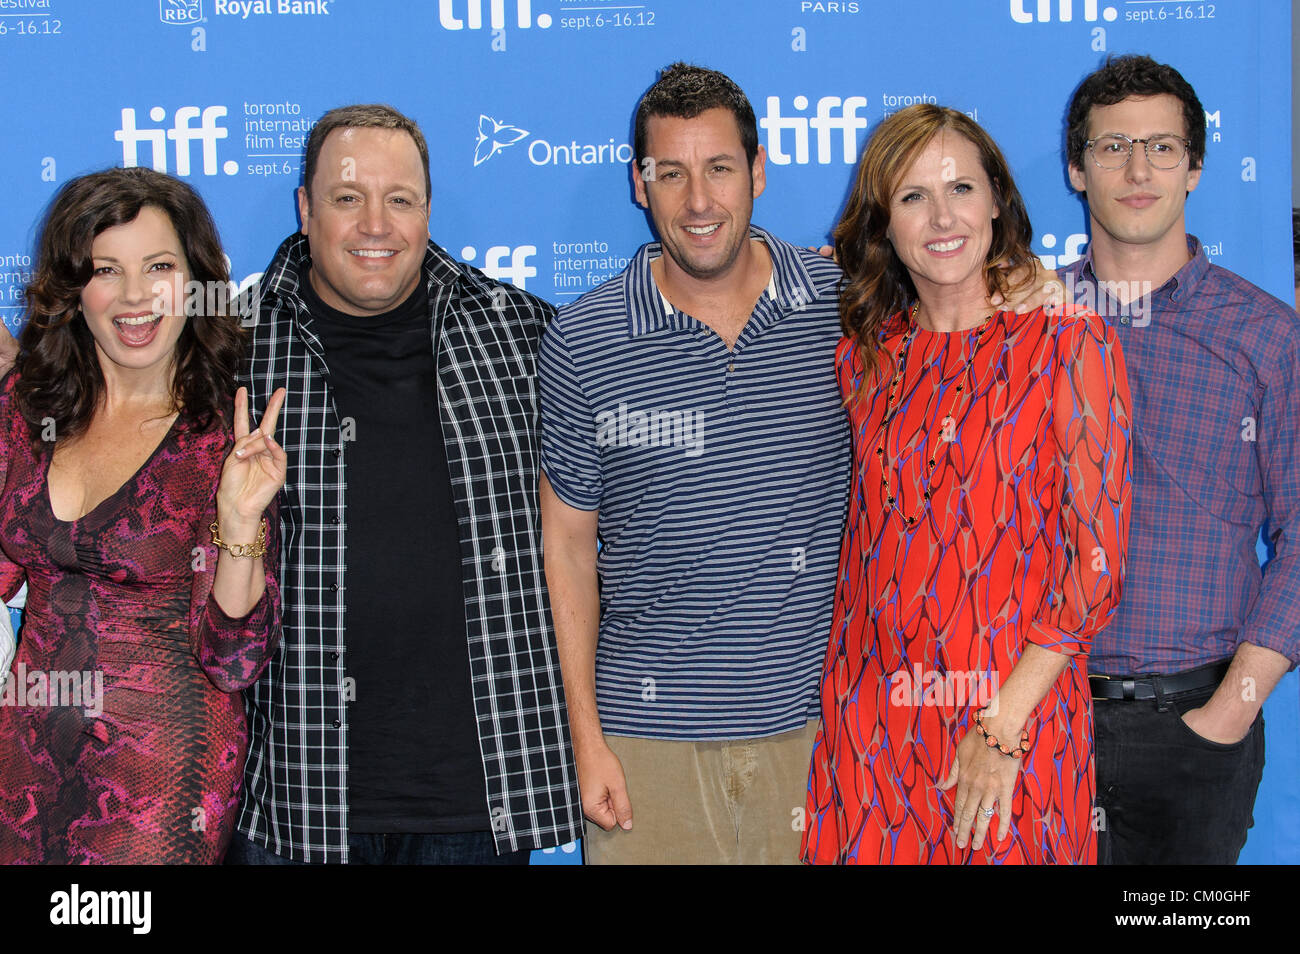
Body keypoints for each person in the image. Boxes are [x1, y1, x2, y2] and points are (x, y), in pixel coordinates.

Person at [229, 104, 581, 865]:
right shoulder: (228, 346)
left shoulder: (524, 333)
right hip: (295, 797)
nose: (374, 225)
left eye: (400, 199)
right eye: (348, 197)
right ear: (305, 208)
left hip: (476, 806)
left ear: (427, 209)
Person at [802, 105, 1132, 865]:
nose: (942, 216)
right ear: (884, 220)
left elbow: (1098, 568)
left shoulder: (1070, 343)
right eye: (913, 196)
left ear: (997, 202)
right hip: (871, 729)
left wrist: (999, 727)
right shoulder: (864, 358)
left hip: (1015, 724)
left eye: (961, 188)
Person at [539, 63, 849, 865]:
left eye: (719, 168)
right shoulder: (583, 341)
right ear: (639, 185)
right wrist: (587, 740)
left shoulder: (844, 308)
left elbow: (966, 305)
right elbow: (568, 549)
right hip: (647, 752)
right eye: (669, 174)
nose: (699, 202)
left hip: (817, 741)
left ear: (759, 169)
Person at [0, 166, 285, 863]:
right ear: (74, 290)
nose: (135, 296)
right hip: (24, 765)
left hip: (156, 781)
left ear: (197, 279)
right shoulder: (25, 405)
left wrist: (241, 523)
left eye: (159, 266)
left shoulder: (225, 431)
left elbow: (233, 658)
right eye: (106, 270)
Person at [1060, 55, 1300, 865]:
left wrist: (1232, 707)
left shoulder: (1267, 337)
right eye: (1113, 146)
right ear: (1075, 166)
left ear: (1194, 167)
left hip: (1199, 727)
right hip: (1040, 719)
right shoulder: (1027, 328)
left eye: (1161, 148)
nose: (1137, 169)